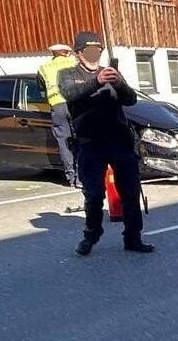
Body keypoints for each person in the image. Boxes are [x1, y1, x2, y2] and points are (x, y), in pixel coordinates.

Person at [58, 31, 153, 255]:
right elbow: (70, 94)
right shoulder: (68, 74)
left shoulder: (109, 73)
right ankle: (91, 234)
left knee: (129, 191)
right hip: (90, 143)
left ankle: (133, 237)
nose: (94, 55)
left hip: (118, 140)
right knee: (94, 194)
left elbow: (130, 99)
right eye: (89, 51)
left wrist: (118, 83)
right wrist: (95, 81)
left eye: (98, 51)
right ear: (79, 53)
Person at [37, 43, 78, 186]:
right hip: (75, 104)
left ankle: (72, 178)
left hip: (57, 106)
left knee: (64, 142)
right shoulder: (74, 62)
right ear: (66, 52)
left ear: (53, 54)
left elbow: (41, 90)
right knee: (79, 139)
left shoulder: (44, 68)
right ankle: (82, 177)